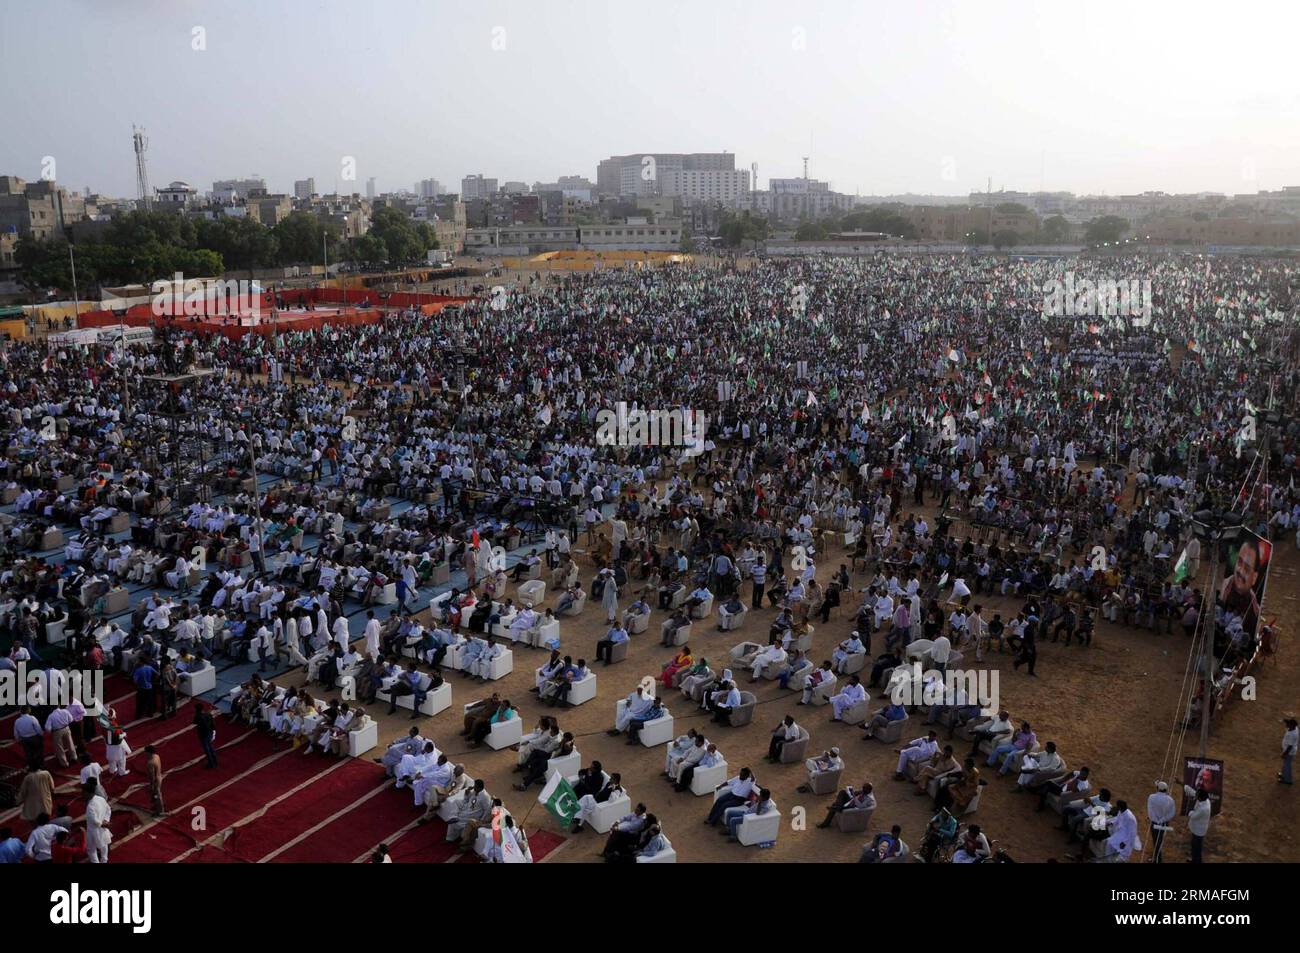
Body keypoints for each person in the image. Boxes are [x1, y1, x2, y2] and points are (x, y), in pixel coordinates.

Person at [83, 779, 113, 863]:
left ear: (88, 793)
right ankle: (104, 861)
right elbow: (108, 809)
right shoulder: (100, 799)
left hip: (93, 830)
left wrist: (103, 824)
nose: (82, 794)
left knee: (91, 849)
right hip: (102, 827)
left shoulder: (90, 806)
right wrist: (106, 821)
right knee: (104, 845)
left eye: (83, 792)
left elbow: (94, 821)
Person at [1146, 780, 1176, 863]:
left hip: (1155, 823)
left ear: (1157, 788)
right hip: (1164, 823)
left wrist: (1156, 820)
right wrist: (1162, 820)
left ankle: (1158, 859)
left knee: (1156, 841)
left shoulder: (1151, 797)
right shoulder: (1170, 800)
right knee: (1159, 840)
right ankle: (1157, 858)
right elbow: (1172, 813)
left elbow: (1150, 811)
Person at [1184, 784, 1212, 863]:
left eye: (1197, 795)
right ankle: (1194, 860)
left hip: (1198, 831)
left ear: (1199, 798)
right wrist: (1182, 784)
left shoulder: (1204, 809)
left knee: (1197, 848)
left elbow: (1193, 816)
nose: (1195, 795)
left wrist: (1190, 812)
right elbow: (1193, 792)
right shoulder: (1204, 799)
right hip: (1197, 828)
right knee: (1194, 846)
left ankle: (1197, 861)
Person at [193, 703, 218, 768]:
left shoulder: (198, 716)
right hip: (209, 732)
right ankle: (215, 760)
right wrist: (213, 731)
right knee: (211, 746)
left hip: (203, 734)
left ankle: (211, 763)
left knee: (207, 749)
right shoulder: (208, 714)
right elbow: (213, 723)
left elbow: (194, 722)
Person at [145, 745, 165, 817]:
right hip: (160, 776)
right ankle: (158, 807)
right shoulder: (157, 756)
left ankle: (160, 811)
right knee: (157, 795)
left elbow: (152, 776)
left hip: (156, 781)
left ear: (149, 752)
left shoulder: (150, 763)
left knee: (157, 795)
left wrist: (152, 786)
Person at [1281, 717, 1297, 785]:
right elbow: (1292, 723)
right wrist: (1285, 720)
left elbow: (1290, 746)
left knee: (1287, 765)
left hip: (1289, 752)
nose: (1286, 725)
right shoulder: (1295, 728)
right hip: (1290, 751)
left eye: (1288, 724)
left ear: (1291, 725)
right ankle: (1284, 775)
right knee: (1286, 764)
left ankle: (1288, 780)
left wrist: (1284, 753)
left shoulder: (1292, 735)